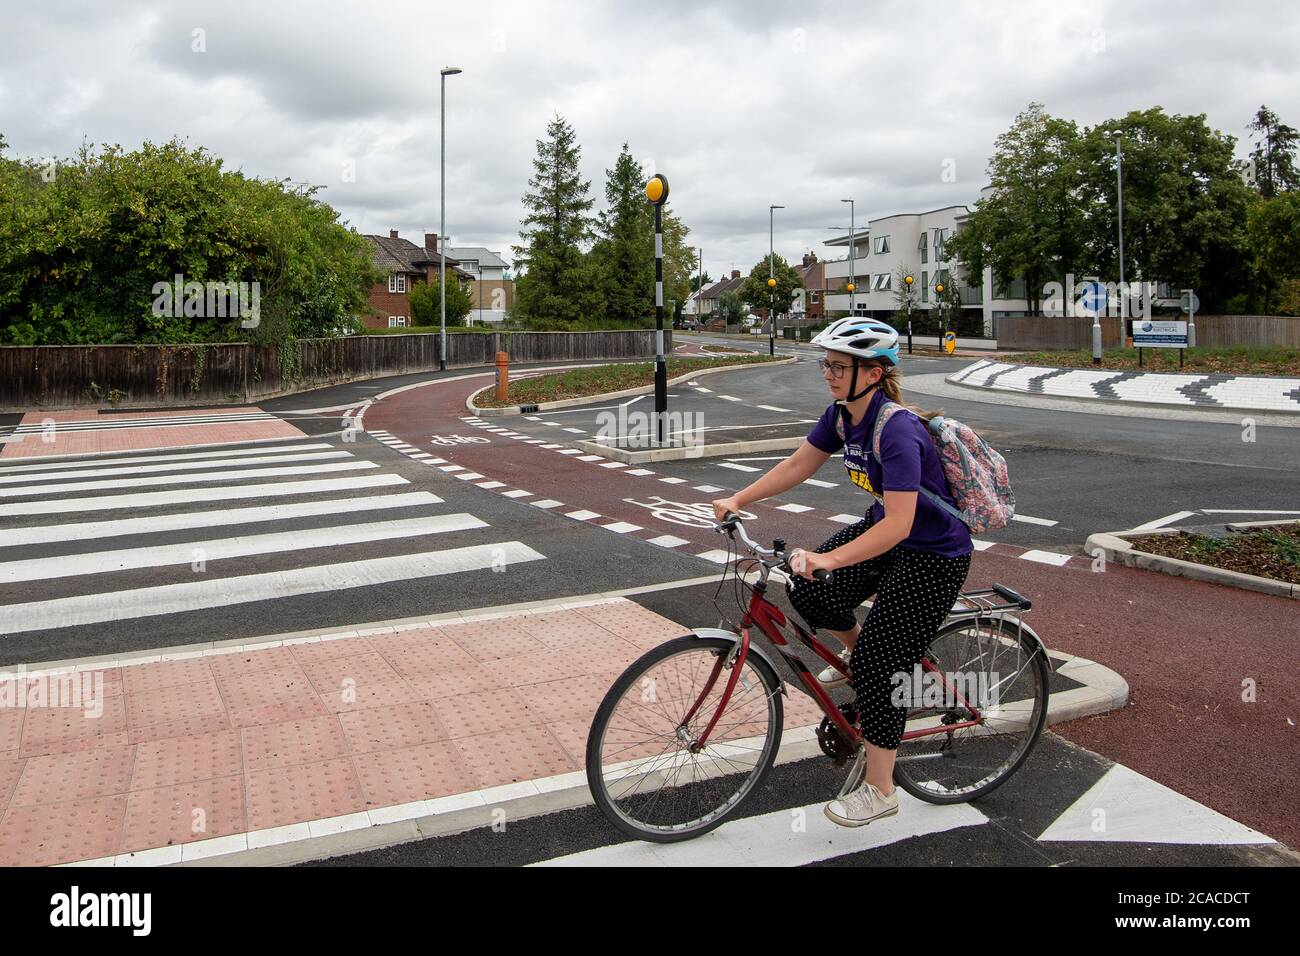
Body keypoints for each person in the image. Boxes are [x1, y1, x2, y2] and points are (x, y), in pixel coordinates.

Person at [711, 318, 973, 827]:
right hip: (888, 533)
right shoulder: (841, 416)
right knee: (807, 589)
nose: (827, 374)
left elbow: (900, 526)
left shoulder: (897, 429)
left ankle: (881, 788)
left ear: (873, 373)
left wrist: (829, 558)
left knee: (879, 660)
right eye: (825, 364)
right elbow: (798, 465)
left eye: (838, 366)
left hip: (934, 554)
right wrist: (739, 499)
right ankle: (868, 660)